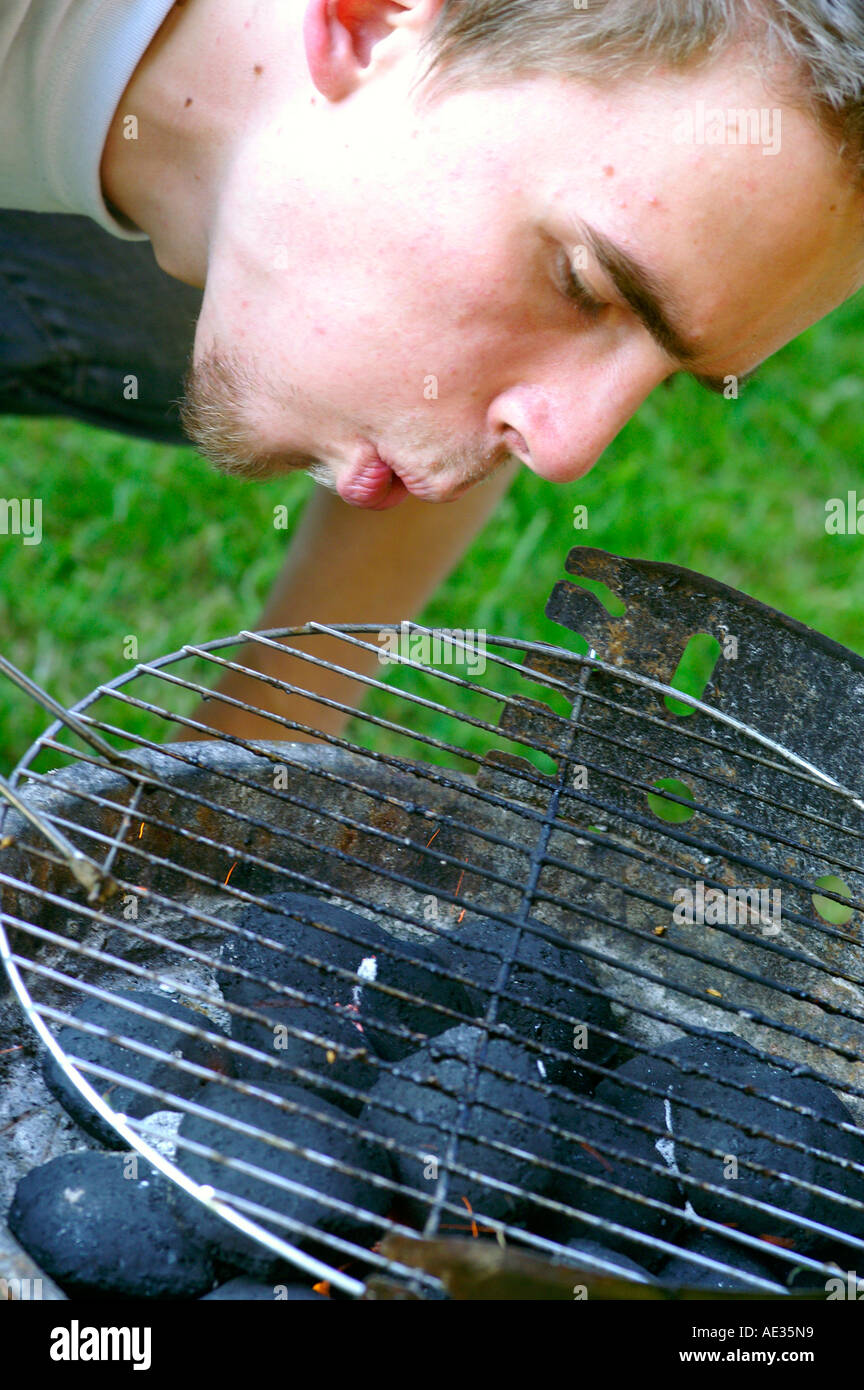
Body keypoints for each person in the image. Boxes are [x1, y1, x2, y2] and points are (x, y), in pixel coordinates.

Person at [2, 0, 863, 741]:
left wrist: (262, 728)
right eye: (582, 284)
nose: (567, 452)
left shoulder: (300, 228)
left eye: (665, 375)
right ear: (369, 19)